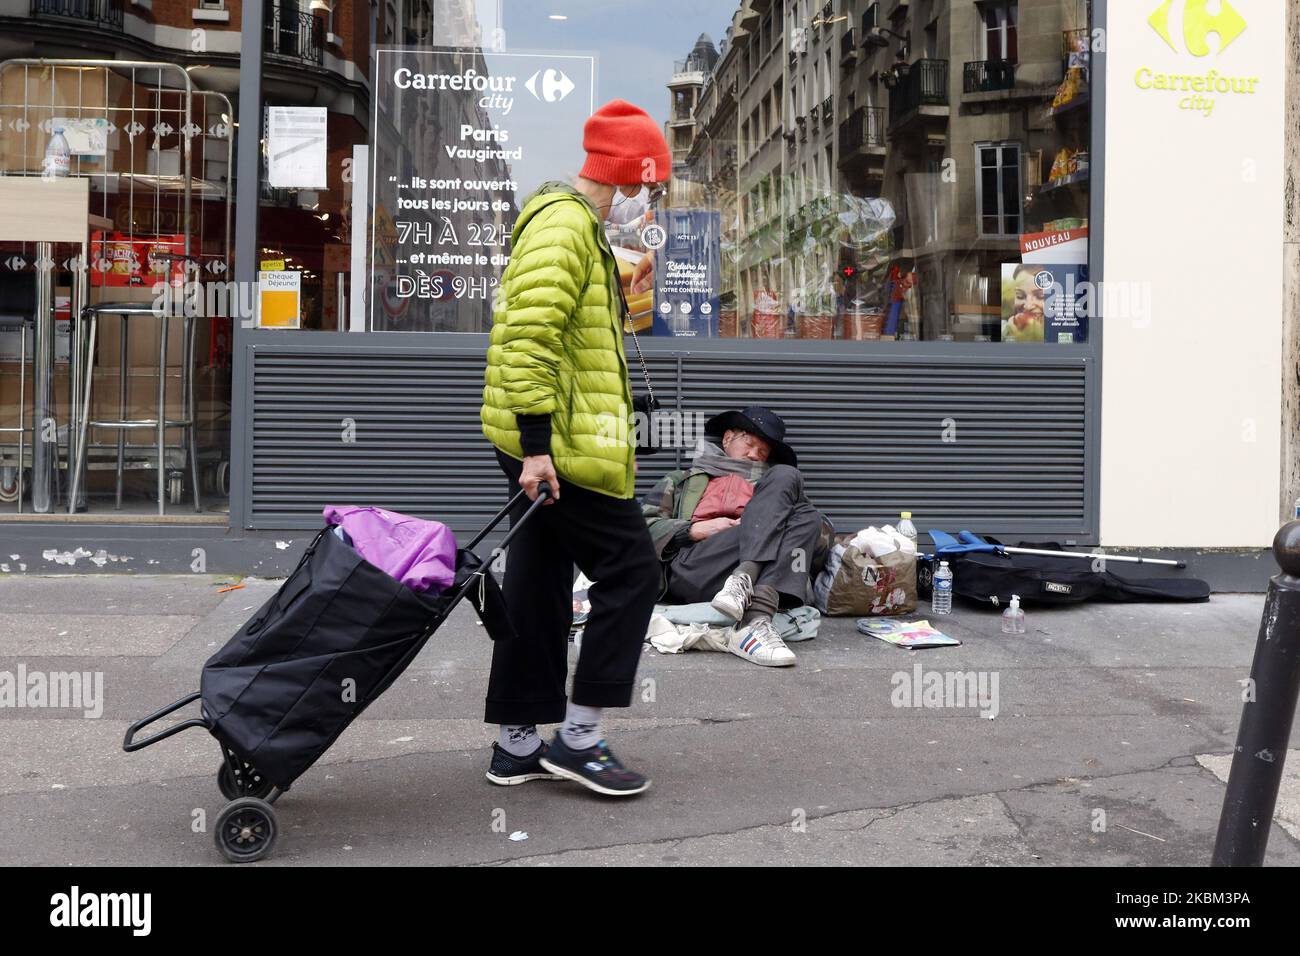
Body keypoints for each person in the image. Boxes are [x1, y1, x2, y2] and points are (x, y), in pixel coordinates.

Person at [479, 99, 670, 797]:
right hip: (556, 444)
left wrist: (622, 287)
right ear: (624, 179)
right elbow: (526, 339)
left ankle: (517, 743)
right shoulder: (564, 228)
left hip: (546, 437)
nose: (647, 202)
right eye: (647, 187)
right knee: (632, 572)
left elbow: (564, 326)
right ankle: (580, 738)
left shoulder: (578, 230)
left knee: (538, 583)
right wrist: (536, 451)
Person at [642, 407, 833, 667]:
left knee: (794, 490)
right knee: (796, 501)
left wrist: (765, 522)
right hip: (695, 567)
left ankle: (754, 615)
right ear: (728, 438)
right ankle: (752, 608)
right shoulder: (682, 480)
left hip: (753, 581)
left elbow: (816, 541)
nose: (754, 455)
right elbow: (641, 529)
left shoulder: (778, 488)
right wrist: (693, 530)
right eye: (750, 443)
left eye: (763, 452)